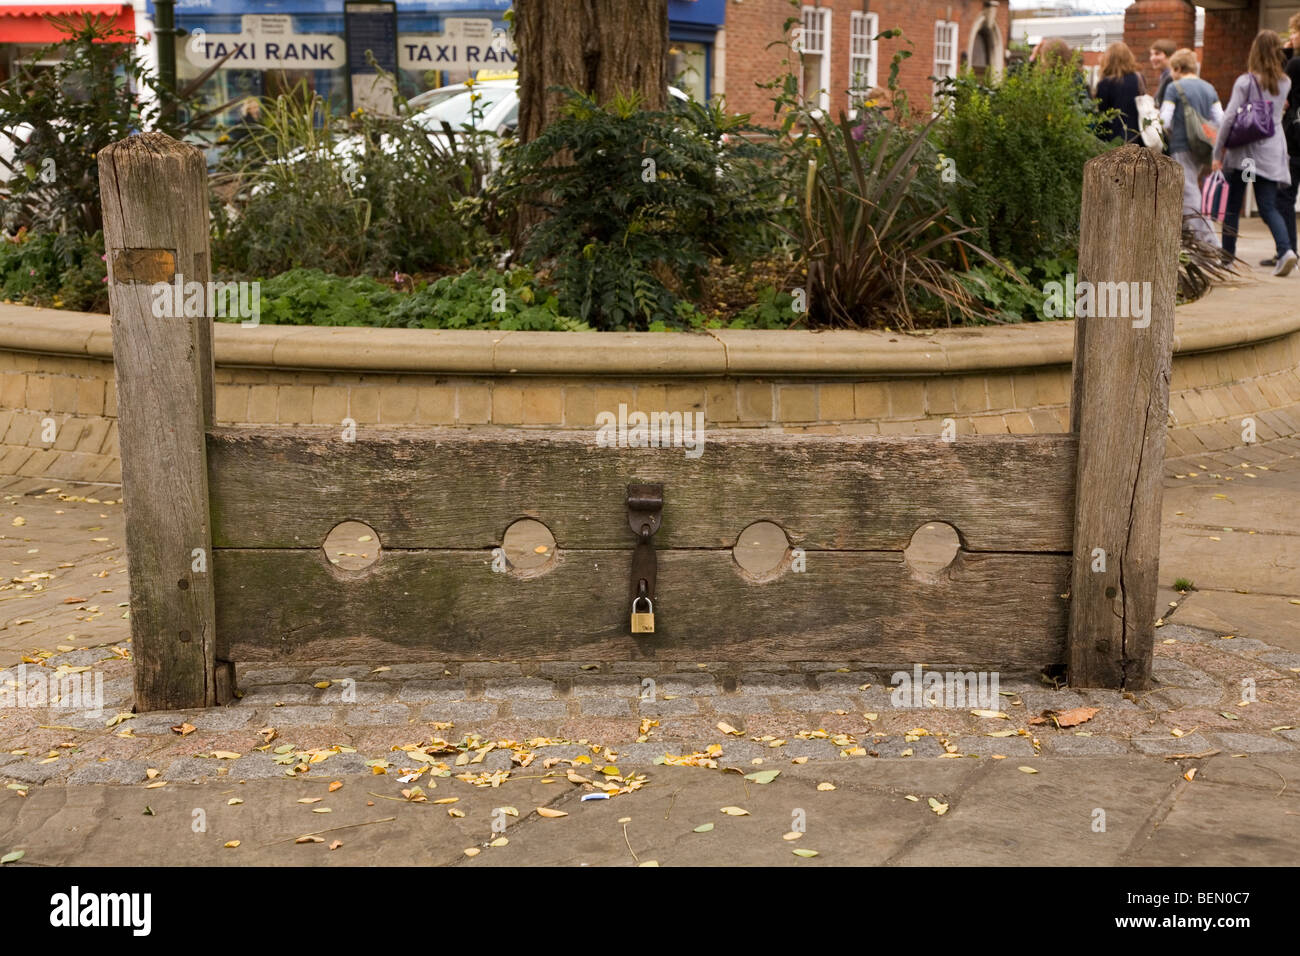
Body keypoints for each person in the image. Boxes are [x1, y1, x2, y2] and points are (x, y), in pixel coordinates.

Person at [1213, 30, 1296, 275]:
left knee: (1233, 206)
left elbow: (1229, 118)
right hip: (1271, 152)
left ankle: (1227, 259)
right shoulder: (1285, 82)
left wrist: (1218, 152)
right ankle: (1286, 251)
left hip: (1246, 157)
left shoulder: (1246, 81)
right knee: (1268, 206)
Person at [1161, 49, 1223, 247]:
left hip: (1181, 144)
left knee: (1190, 192)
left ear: (1178, 68)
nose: (1171, 73)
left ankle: (1209, 242)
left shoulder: (1174, 87)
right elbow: (1220, 119)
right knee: (1189, 189)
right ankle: (1186, 238)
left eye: (1172, 69)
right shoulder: (1209, 88)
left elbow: (1164, 119)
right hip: (1204, 146)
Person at [1275, 14, 1300, 266]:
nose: (1291, 36)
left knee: (1284, 197)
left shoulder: (1294, 65)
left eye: (1294, 32)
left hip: (1294, 141)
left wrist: (1286, 53)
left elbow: (1280, 90)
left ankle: (1287, 250)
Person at [1094, 42, 1145, 144]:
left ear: (1108, 59)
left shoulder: (1104, 84)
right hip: (1138, 136)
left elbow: (1102, 115)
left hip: (1112, 138)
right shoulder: (1138, 78)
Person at [1150, 39, 1177, 106]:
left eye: (1157, 54)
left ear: (1170, 55)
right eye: (1151, 54)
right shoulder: (1164, 75)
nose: (1152, 58)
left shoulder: (1171, 77)